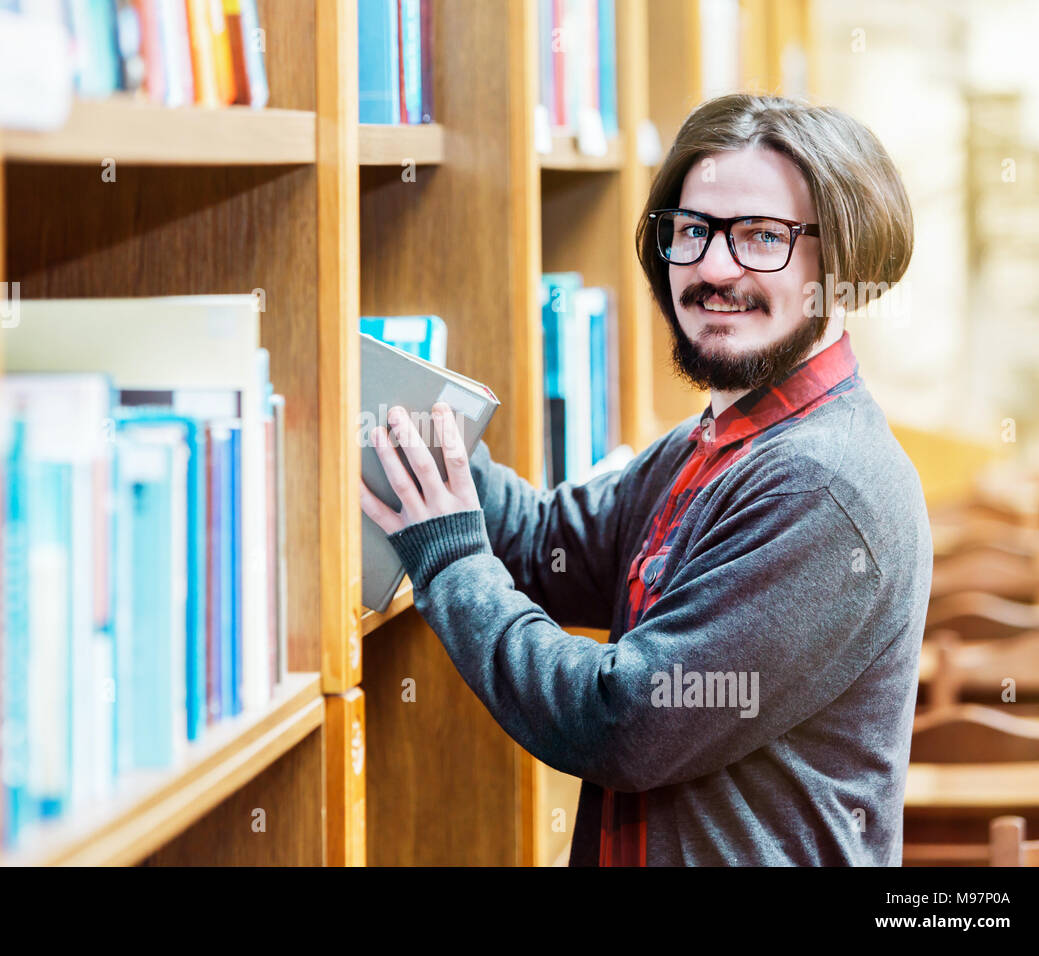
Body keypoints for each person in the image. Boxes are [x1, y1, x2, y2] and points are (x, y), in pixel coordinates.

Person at [359, 92, 931, 866]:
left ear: (843, 265)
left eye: (762, 236)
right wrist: (407, 415)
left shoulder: (823, 488)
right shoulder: (711, 445)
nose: (714, 267)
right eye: (692, 232)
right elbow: (541, 543)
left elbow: (623, 721)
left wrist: (451, 563)